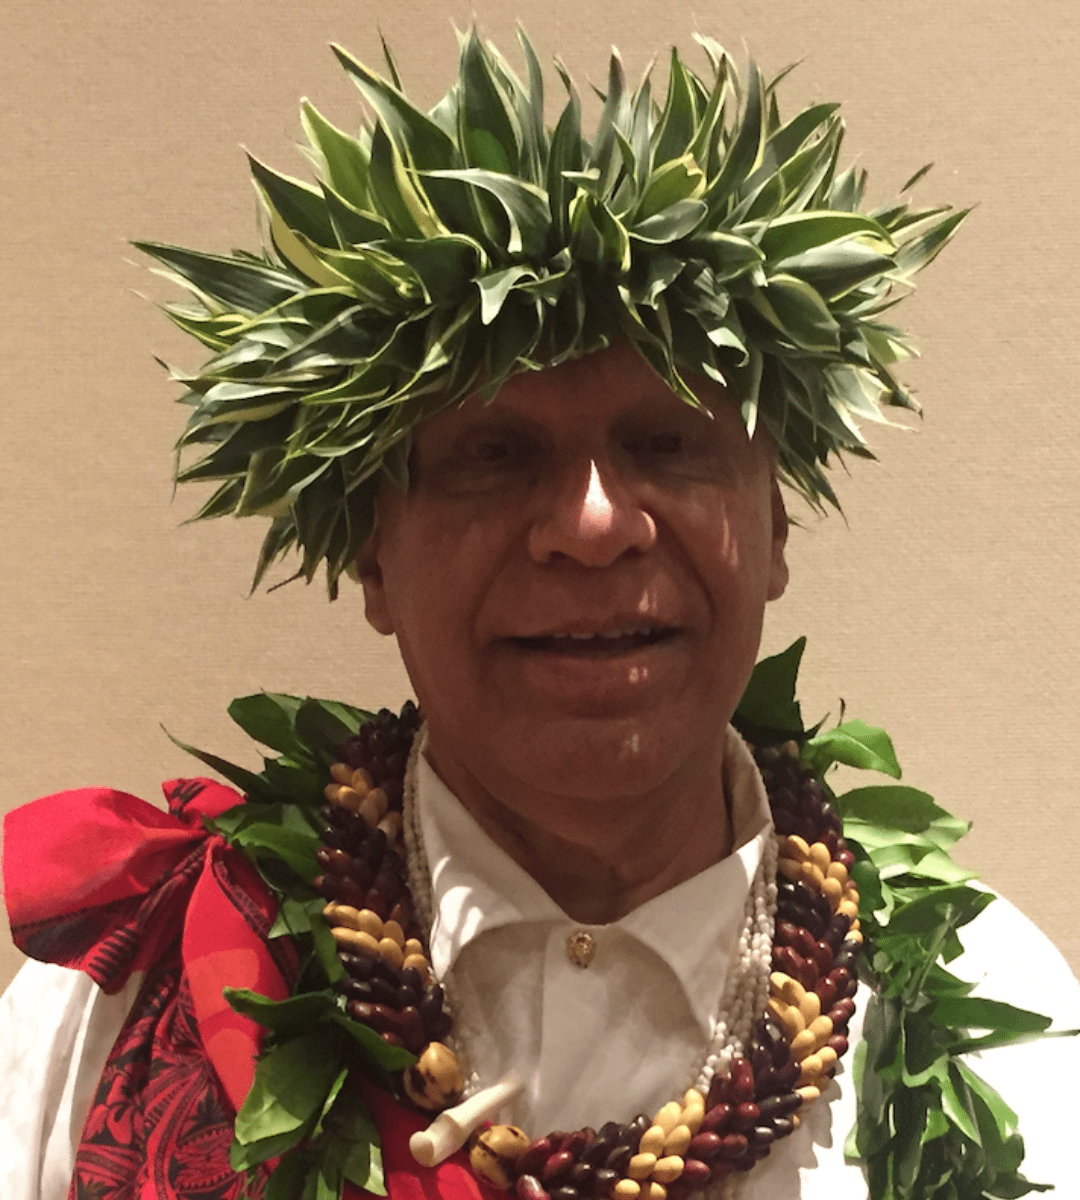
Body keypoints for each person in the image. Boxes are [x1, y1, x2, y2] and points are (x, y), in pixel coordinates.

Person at [2, 28, 1078, 1200]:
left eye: (667, 441)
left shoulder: (998, 1043)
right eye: (492, 454)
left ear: (777, 528)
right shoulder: (124, 1001)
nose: (594, 524)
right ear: (370, 556)